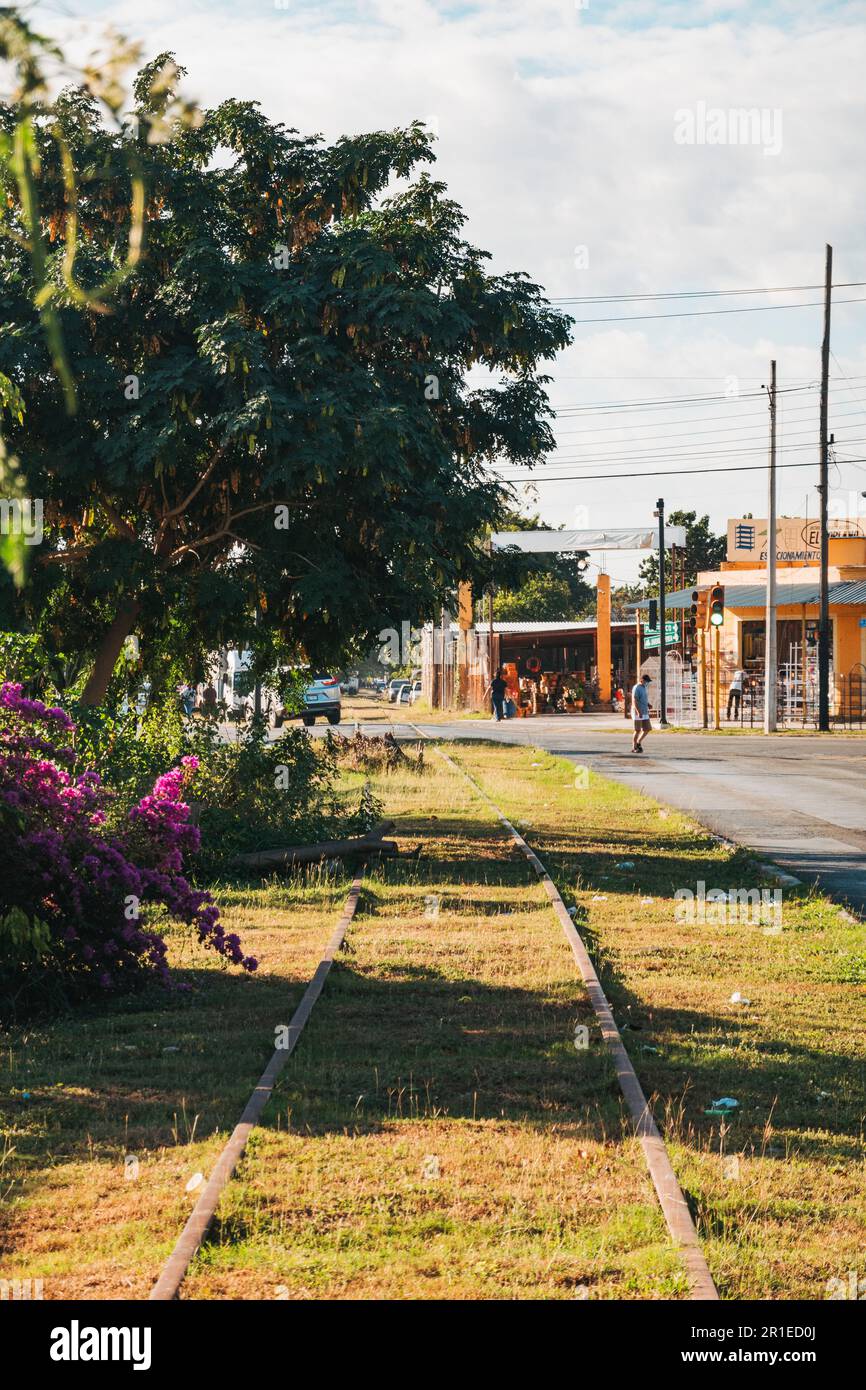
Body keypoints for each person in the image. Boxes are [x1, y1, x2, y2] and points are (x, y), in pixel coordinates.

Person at [631, 673, 652, 753]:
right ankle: (634, 747)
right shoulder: (636, 688)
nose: (647, 683)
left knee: (647, 728)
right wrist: (638, 711)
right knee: (637, 730)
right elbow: (634, 700)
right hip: (638, 712)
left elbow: (643, 698)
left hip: (644, 711)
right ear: (641, 680)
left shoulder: (644, 688)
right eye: (646, 681)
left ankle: (638, 742)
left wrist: (648, 704)